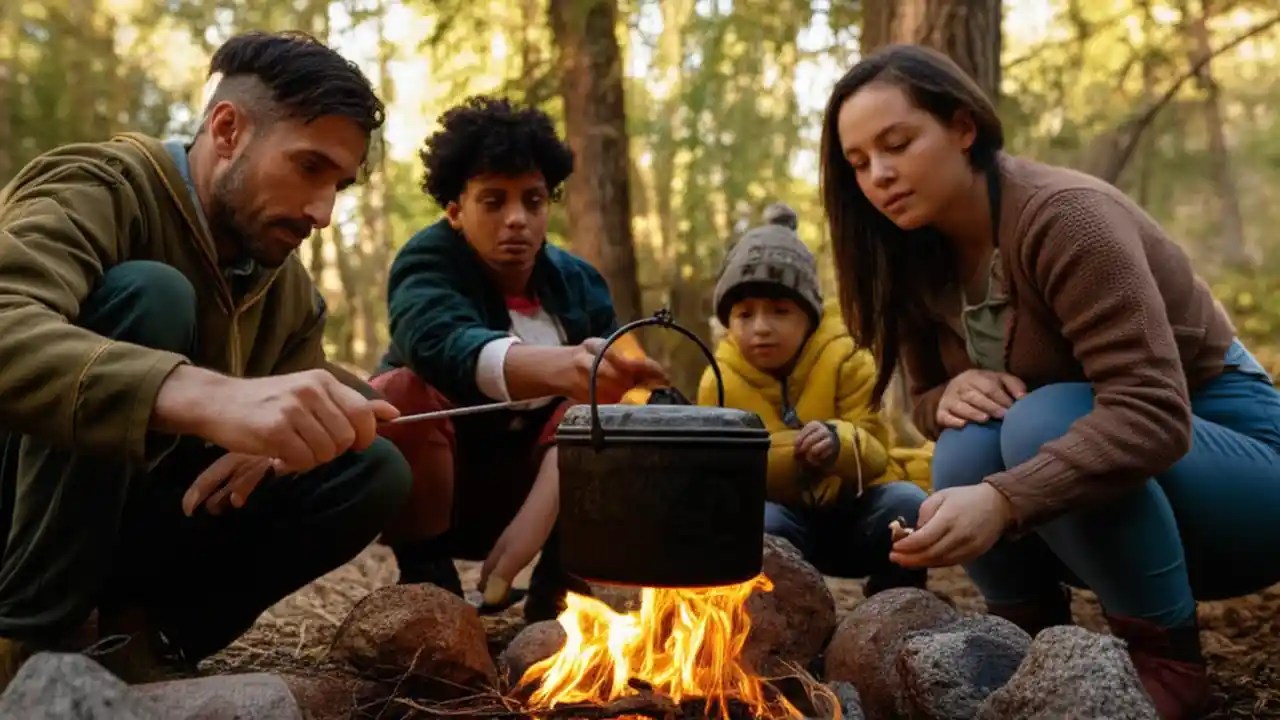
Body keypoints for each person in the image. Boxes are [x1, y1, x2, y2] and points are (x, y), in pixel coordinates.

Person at [819, 43, 1280, 719]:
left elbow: (1152, 413)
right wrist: (944, 396)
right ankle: (1027, 647)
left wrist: (1004, 503)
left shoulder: (1065, 217)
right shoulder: (908, 255)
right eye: (858, 163)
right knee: (965, 444)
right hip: (1123, 496)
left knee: (1038, 422)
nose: (879, 175)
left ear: (963, 127)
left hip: (1246, 484)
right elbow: (923, 399)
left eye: (897, 143)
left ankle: (1170, 665)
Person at [0, 30, 414, 688]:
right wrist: (211, 398)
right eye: (310, 167)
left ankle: (139, 639)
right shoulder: (101, 186)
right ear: (228, 130)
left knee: (371, 467)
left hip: (131, 522)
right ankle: (30, 640)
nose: (325, 211)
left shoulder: (285, 283)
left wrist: (292, 427)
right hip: (21, 521)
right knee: (152, 295)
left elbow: (295, 377)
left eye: (339, 184)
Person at [372, 95, 666, 622]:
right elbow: (441, 342)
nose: (516, 220)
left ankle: (562, 587)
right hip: (445, 491)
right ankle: (428, 581)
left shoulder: (579, 283)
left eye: (532, 201)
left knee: (617, 416)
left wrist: (542, 508)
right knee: (396, 395)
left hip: (541, 489)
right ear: (455, 210)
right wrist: (569, 369)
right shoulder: (427, 261)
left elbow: (624, 398)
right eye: (493, 201)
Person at [697, 203, 930, 597]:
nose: (761, 328)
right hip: (781, 523)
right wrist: (794, 455)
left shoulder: (848, 357)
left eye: (779, 311)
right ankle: (786, 615)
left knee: (908, 502)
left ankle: (896, 602)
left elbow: (876, 451)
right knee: (755, 525)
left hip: (854, 514)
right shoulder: (717, 381)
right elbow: (722, 474)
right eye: (744, 315)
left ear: (810, 316)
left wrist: (838, 442)